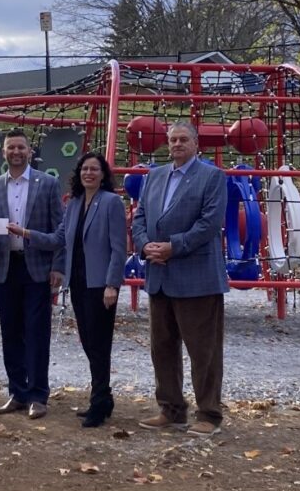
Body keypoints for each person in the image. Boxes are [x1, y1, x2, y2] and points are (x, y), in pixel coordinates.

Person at [130, 121, 228, 436]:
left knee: (203, 351)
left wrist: (174, 247)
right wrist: (145, 245)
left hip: (196, 277)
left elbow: (209, 223)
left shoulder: (212, 177)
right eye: (172, 139)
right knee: (162, 347)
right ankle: (171, 409)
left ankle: (209, 414)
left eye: (183, 139)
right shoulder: (155, 176)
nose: (176, 144)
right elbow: (140, 216)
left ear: (196, 144)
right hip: (159, 274)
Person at [0, 129, 63, 419]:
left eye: (21, 147)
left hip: (37, 267)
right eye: (11, 148)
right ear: (4, 153)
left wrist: (58, 266)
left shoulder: (48, 184)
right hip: (5, 267)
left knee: (37, 333)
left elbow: (59, 230)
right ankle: (17, 392)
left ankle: (38, 395)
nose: (16, 152)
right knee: (10, 332)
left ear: (30, 152)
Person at [46, 152, 127, 427]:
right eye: (84, 169)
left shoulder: (111, 202)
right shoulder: (75, 203)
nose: (89, 173)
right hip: (78, 282)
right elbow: (60, 238)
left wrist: (112, 284)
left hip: (100, 284)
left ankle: (99, 401)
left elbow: (119, 247)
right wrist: (24, 234)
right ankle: (103, 396)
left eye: (94, 169)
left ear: (103, 174)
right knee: (88, 342)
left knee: (99, 344)